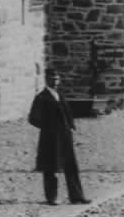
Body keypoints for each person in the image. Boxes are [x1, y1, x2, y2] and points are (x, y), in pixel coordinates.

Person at [27, 70, 90, 205]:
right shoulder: (41, 97)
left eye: (57, 79)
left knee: (71, 166)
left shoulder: (60, 95)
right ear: (46, 79)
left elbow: (67, 113)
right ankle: (51, 197)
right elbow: (32, 118)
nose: (55, 82)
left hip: (65, 135)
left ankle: (77, 196)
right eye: (52, 79)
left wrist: (71, 126)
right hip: (50, 138)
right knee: (50, 167)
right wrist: (48, 127)